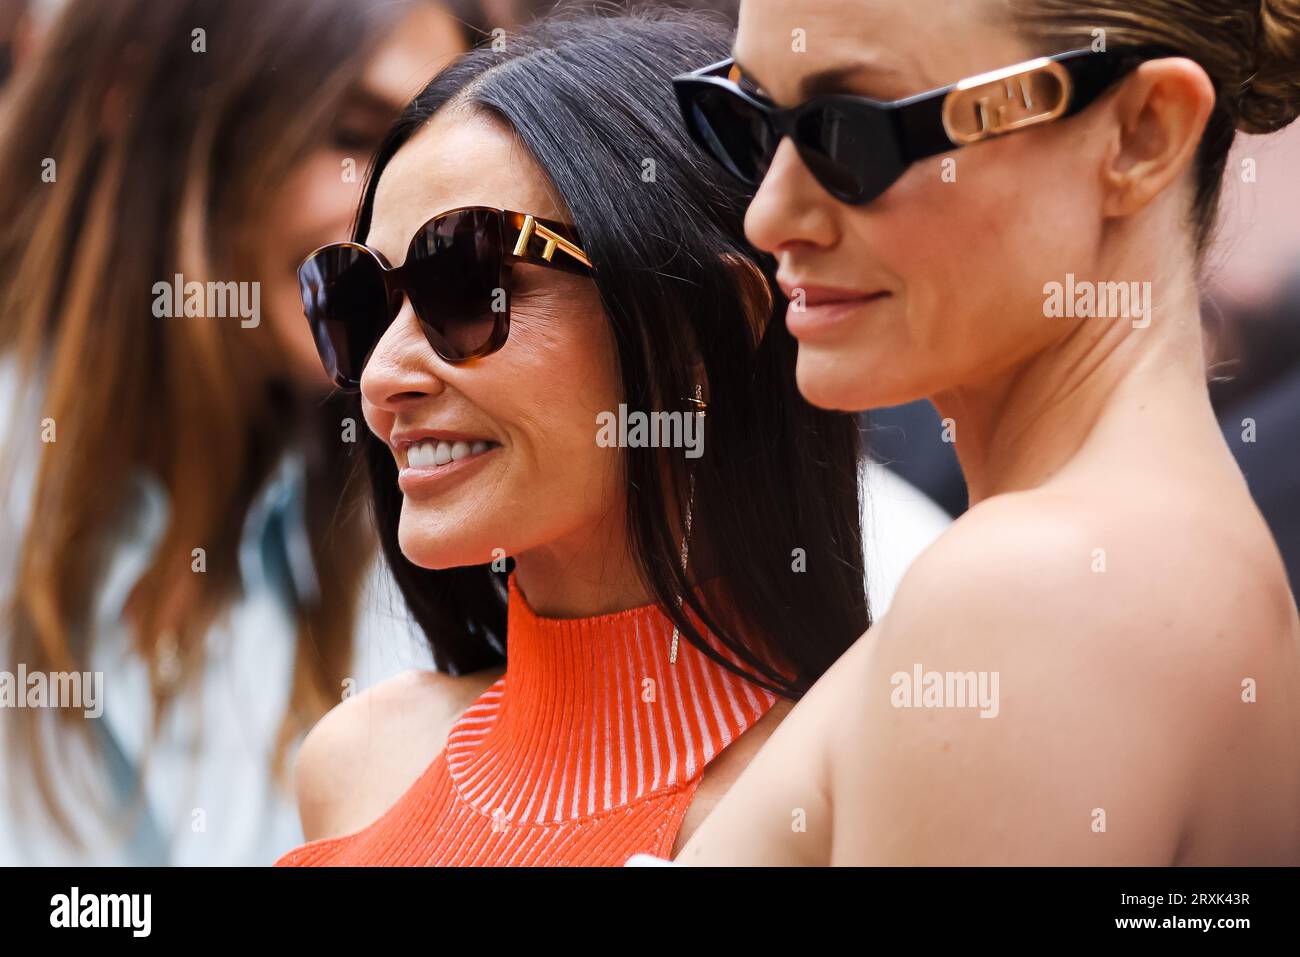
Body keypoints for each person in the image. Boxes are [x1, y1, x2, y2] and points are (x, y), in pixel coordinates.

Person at [276, 8, 947, 867]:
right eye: (361, 302)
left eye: (462, 283)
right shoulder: (357, 761)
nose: (380, 378)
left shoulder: (832, 809)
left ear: (698, 330)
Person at [669, 0, 1300, 864]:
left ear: (1143, 135)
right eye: (743, 122)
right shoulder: (1136, 560)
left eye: (850, 133)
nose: (769, 215)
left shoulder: (1032, 595)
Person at [0, 0, 468, 865]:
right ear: (137, 95)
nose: (385, 215)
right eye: (351, 134)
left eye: (425, 152)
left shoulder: (418, 535)